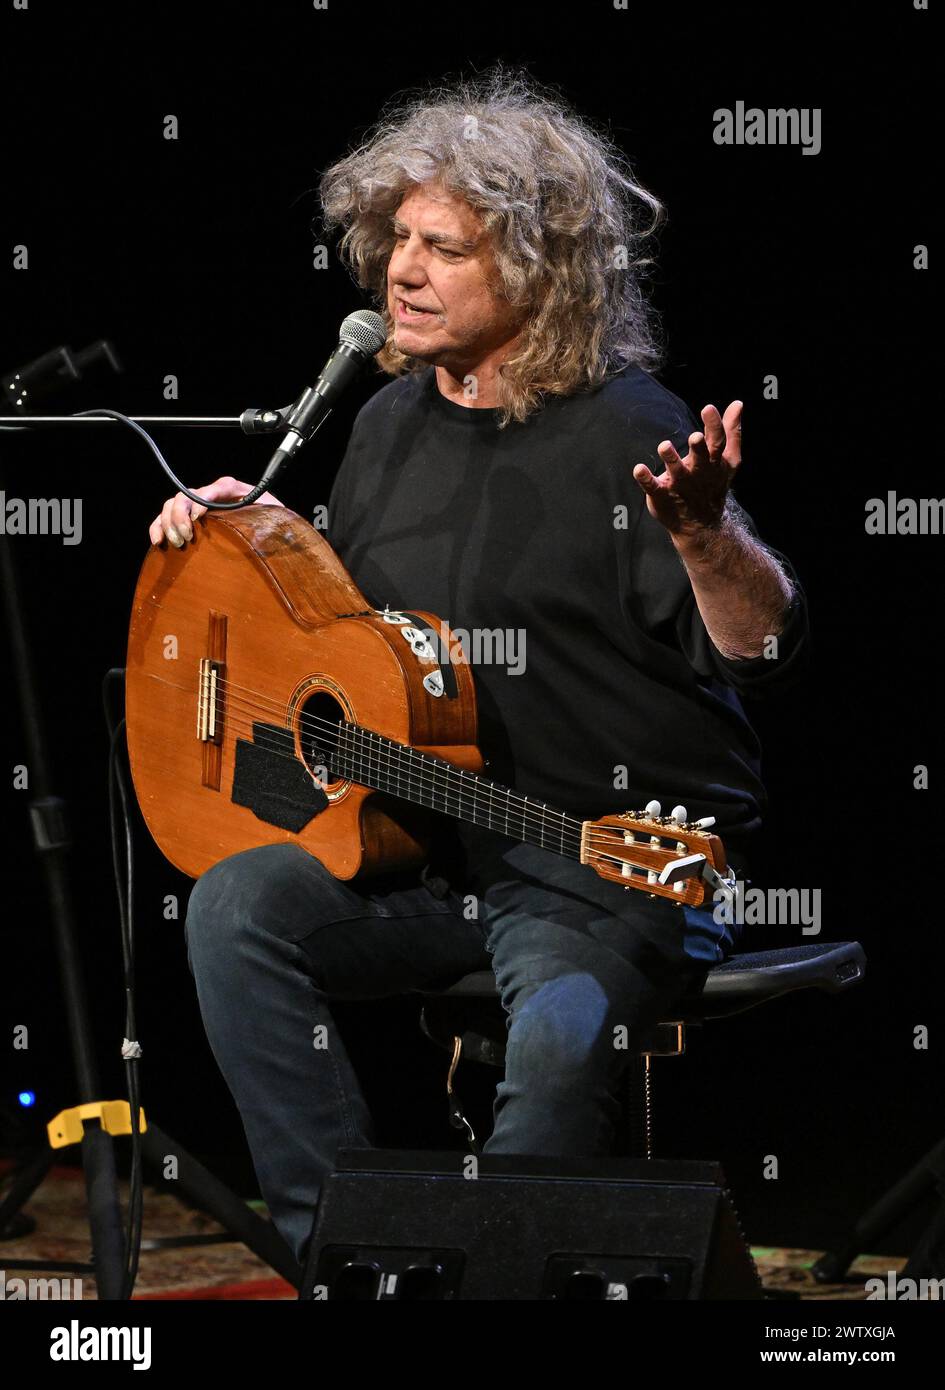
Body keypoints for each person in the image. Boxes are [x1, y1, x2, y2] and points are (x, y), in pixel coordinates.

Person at [148, 69, 809, 1264]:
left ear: (538, 273)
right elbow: (351, 650)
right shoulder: (386, 425)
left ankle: (501, 1281)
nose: (400, 268)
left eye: (442, 247)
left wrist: (712, 541)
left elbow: (760, 645)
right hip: (433, 847)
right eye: (397, 237)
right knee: (237, 905)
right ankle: (337, 1263)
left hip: (606, 861)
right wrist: (255, 542)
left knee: (556, 1037)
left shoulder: (628, 431)